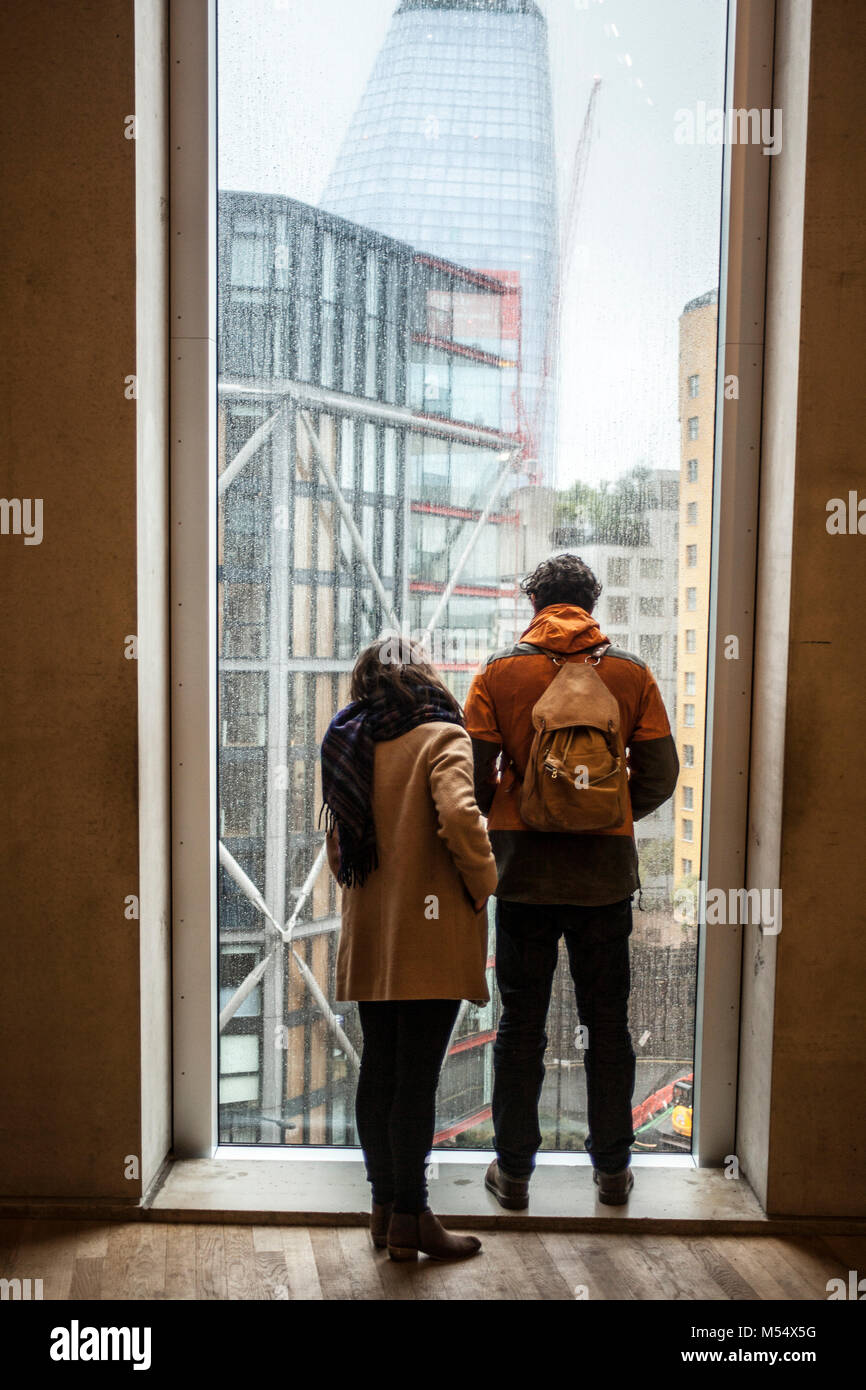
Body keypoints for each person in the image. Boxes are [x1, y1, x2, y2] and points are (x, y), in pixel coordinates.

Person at [463, 554, 679, 1207]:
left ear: (534, 602)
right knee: (607, 1023)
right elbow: (661, 773)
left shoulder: (498, 673)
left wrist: (515, 811)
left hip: (523, 872)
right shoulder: (631, 674)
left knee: (520, 1025)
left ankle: (514, 1174)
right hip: (604, 874)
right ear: (592, 603)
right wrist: (610, 812)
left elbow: (473, 775)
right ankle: (612, 1172)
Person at [321, 636, 498, 1260]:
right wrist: (485, 880)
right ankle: (413, 1218)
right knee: (417, 1077)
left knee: (380, 1069)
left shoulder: (350, 740)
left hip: (374, 932)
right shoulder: (442, 735)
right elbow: (460, 815)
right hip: (429, 933)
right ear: (422, 675)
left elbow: (339, 845)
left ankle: (383, 1211)